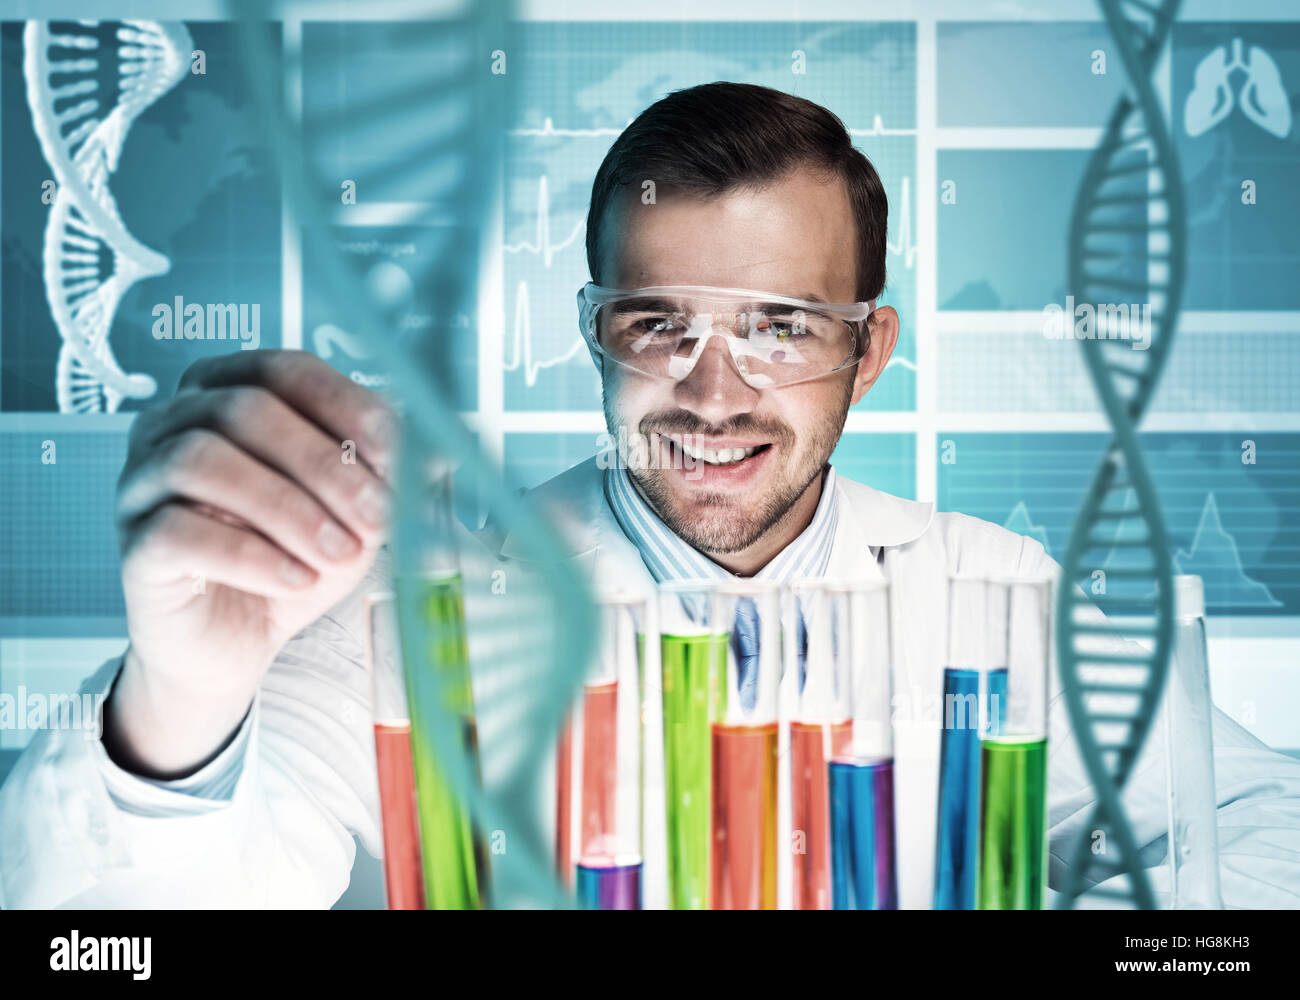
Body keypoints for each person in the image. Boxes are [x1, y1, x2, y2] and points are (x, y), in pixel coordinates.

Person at [2, 82, 1297, 909]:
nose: (712, 391)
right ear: (595, 330)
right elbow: (127, 926)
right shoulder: (409, 619)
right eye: (659, 320)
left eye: (784, 326)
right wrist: (178, 699)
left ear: (872, 349)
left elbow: (1255, 816)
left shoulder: (1004, 599)